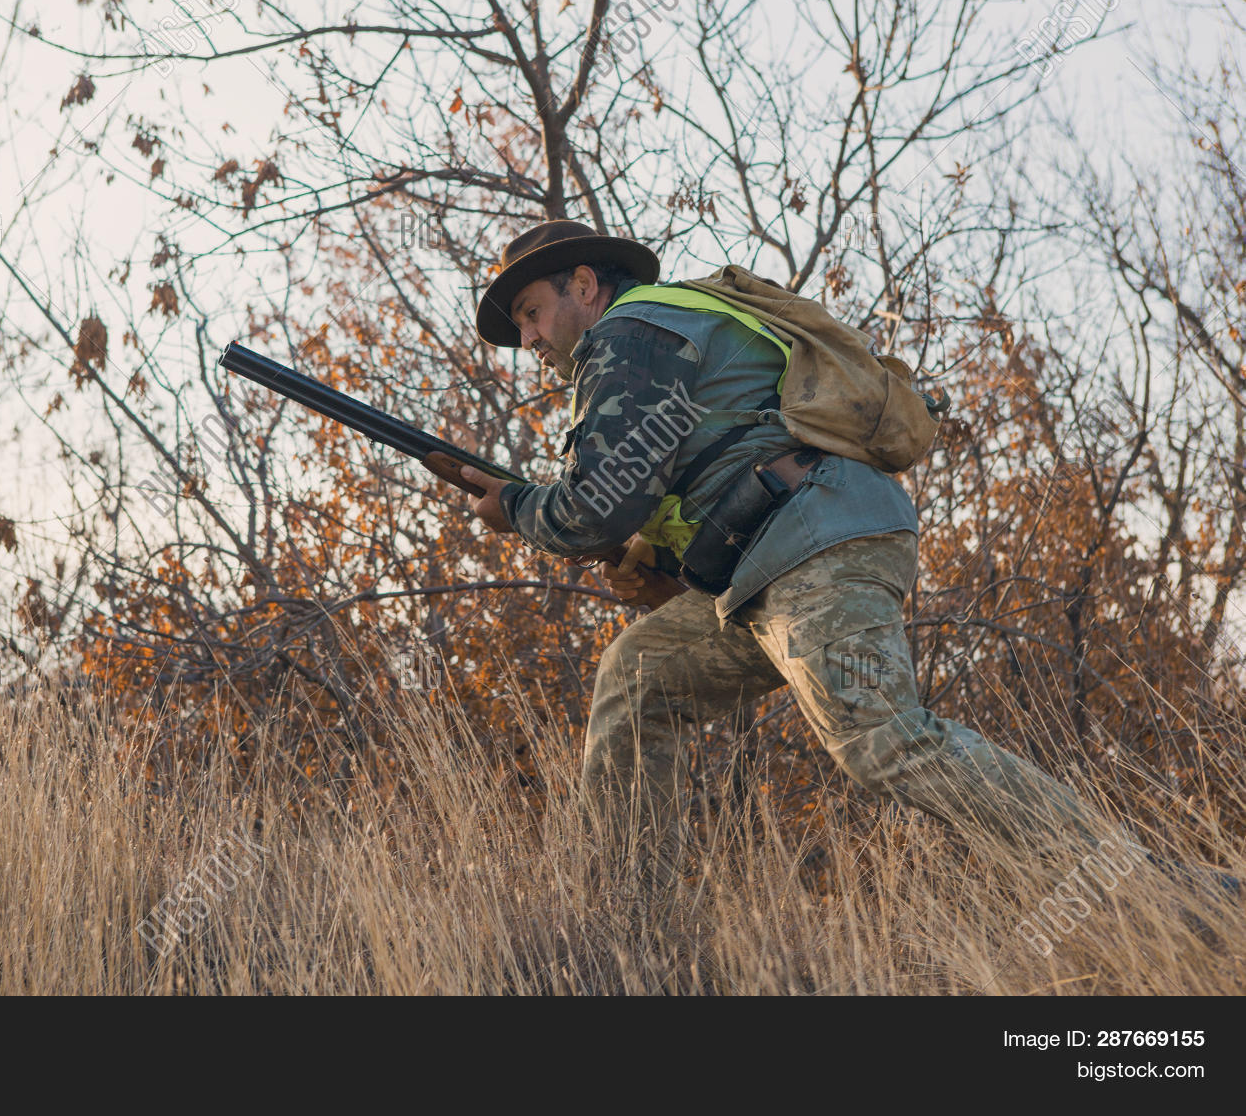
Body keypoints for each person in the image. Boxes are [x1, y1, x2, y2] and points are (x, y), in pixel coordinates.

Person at [459, 219, 1130, 878]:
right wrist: (662, 562)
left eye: (532, 312)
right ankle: (627, 948)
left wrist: (515, 506)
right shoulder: (670, 325)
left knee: (885, 743)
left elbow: (596, 509)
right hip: (773, 562)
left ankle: (1141, 886)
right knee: (639, 678)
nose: (527, 338)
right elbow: (712, 461)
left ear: (582, 284)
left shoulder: (631, 332)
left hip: (812, 545)